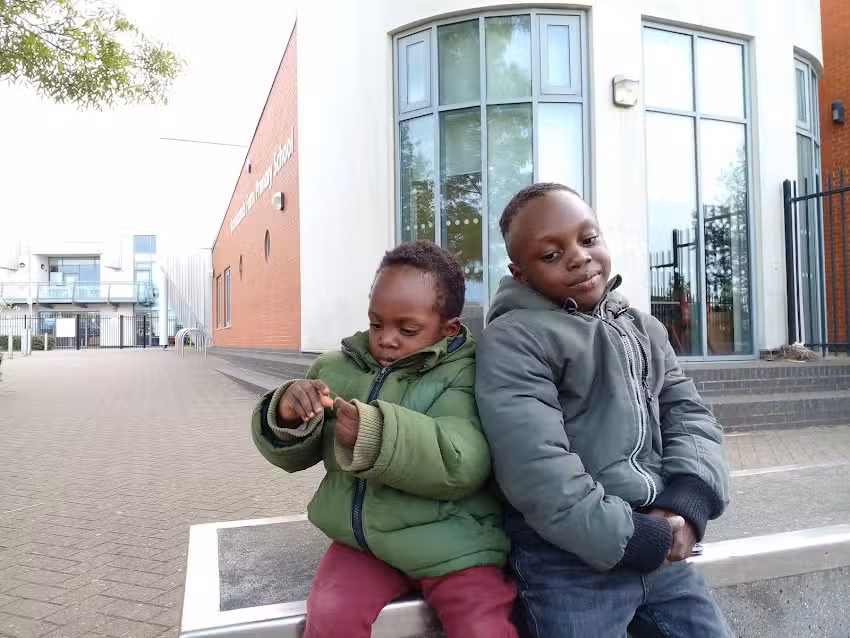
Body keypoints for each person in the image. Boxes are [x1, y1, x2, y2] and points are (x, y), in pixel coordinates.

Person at [474, 183, 732, 638]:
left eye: (588, 238)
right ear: (521, 274)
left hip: (658, 542)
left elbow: (689, 415)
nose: (578, 257)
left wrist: (689, 502)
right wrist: (632, 537)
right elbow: (535, 465)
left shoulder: (642, 328)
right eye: (550, 255)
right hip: (568, 562)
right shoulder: (515, 339)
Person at [251, 241, 517, 638]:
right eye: (377, 324)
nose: (387, 339)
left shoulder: (467, 371)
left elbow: (463, 461)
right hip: (365, 545)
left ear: (448, 328)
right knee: (330, 615)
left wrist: (377, 435)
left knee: (483, 626)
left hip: (457, 545)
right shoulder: (336, 368)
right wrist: (287, 414)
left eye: (407, 330)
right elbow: (295, 456)